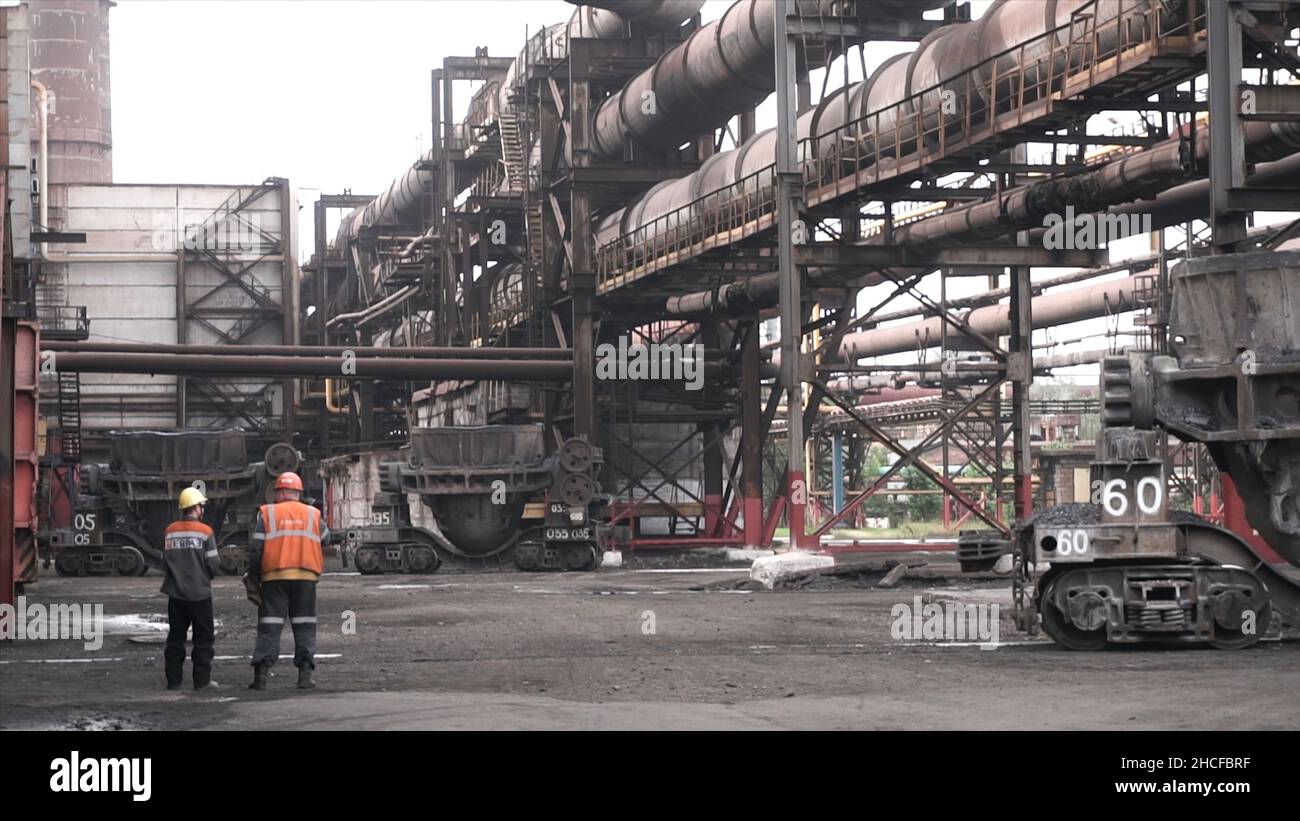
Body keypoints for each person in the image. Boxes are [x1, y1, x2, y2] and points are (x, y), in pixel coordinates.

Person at [247, 471, 328, 690]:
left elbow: (256, 549)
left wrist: (254, 576)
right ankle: (305, 676)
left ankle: (261, 678)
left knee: (270, 627)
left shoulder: (267, 513)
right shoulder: (313, 514)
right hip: (306, 578)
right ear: (298, 493)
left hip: (274, 578)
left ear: (280, 492)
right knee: (305, 626)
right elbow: (326, 539)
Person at [161, 486, 221, 690]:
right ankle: (201, 681)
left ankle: (173, 681)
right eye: (202, 506)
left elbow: (165, 562)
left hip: (176, 595)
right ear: (196, 507)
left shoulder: (170, 531)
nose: (203, 509)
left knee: (176, 638)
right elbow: (214, 564)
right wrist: (206, 576)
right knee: (203, 639)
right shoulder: (205, 532)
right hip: (200, 594)